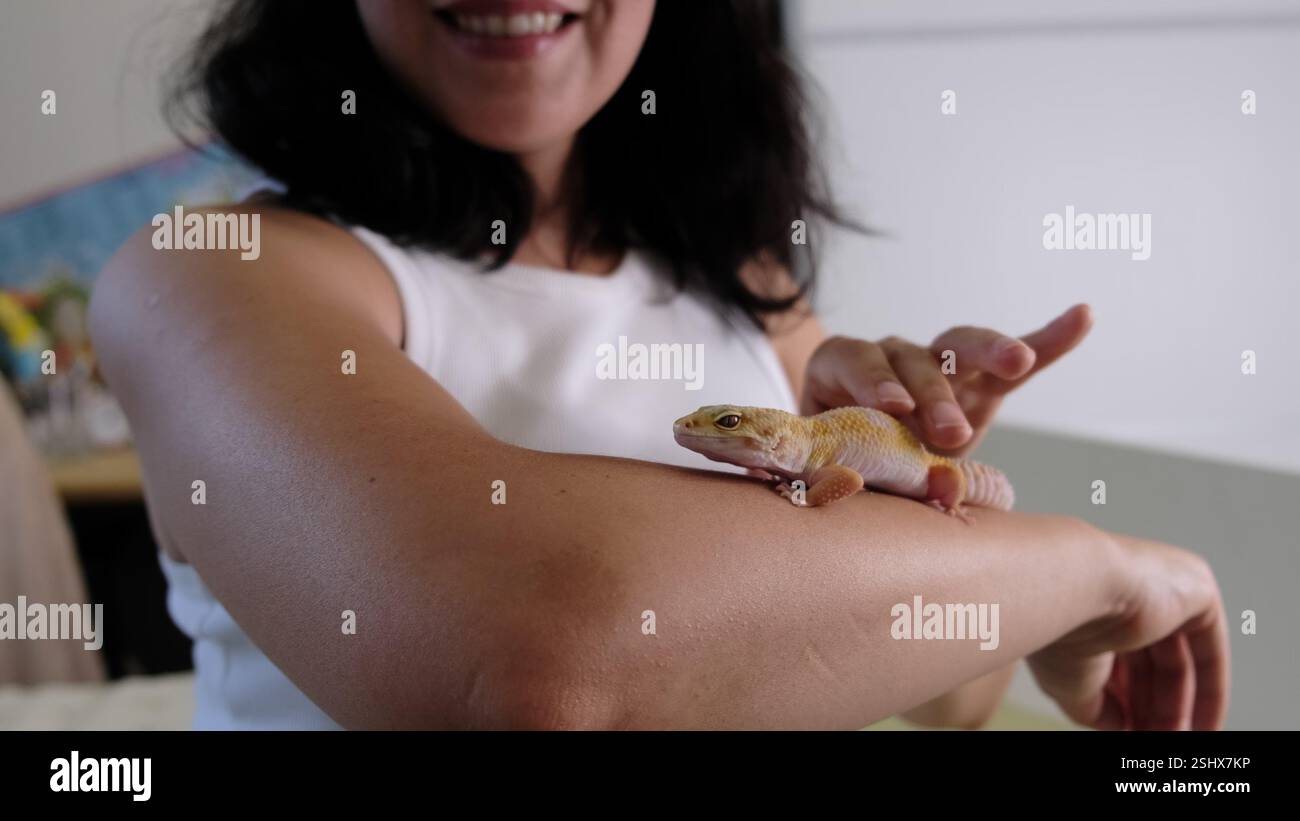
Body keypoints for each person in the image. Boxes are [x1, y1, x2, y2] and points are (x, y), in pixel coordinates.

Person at [89, 0, 1228, 729]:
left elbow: (949, 695)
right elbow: (532, 664)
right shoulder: (211, 269)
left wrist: (958, 519)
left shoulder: (738, 284)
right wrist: (1084, 570)